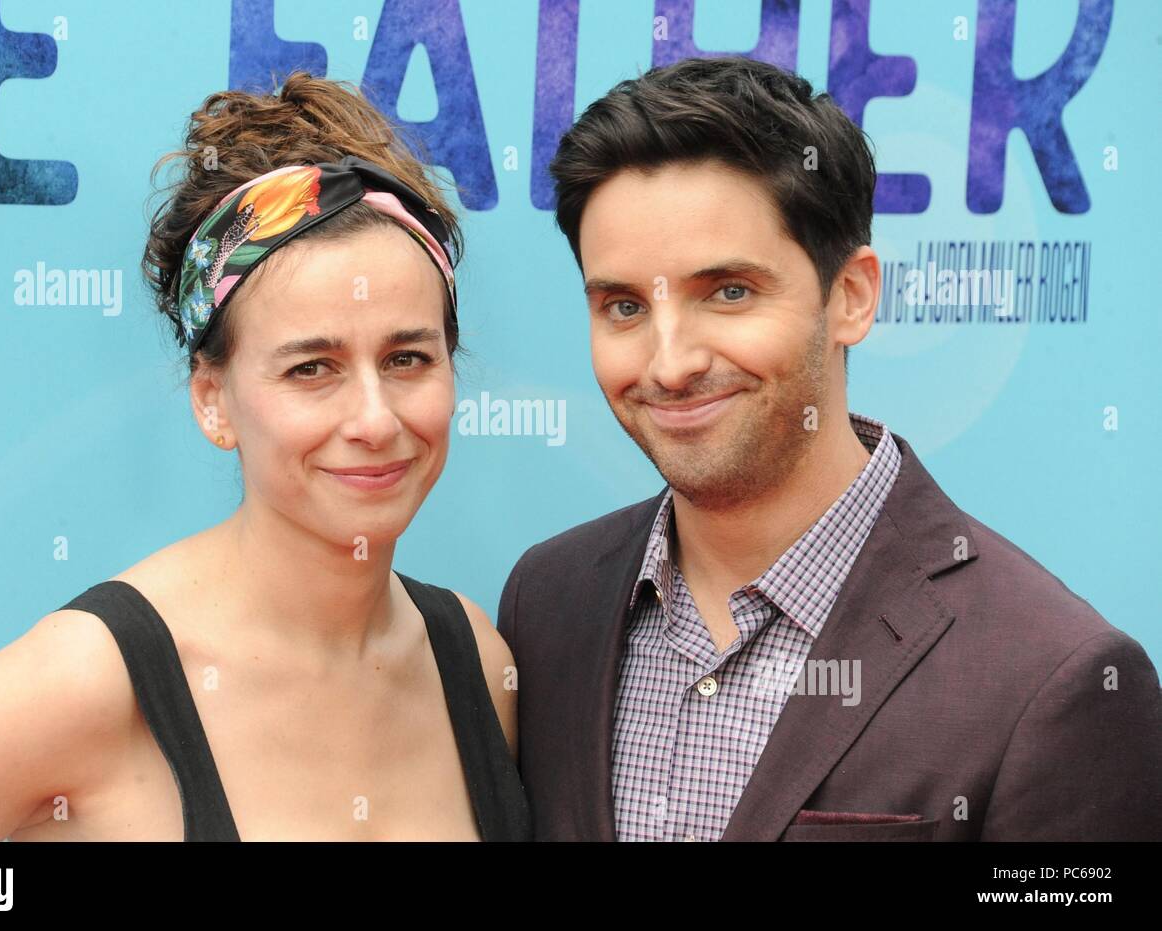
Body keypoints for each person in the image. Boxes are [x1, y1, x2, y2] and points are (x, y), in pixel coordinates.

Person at [498, 55, 1162, 841]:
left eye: (730, 292)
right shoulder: (547, 602)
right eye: (623, 305)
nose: (669, 362)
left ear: (851, 296)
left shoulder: (1053, 681)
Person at [0, 71, 530, 842]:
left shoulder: (475, 662)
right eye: (311, 368)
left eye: (408, 358)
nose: (375, 420)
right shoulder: (91, 677)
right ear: (213, 398)